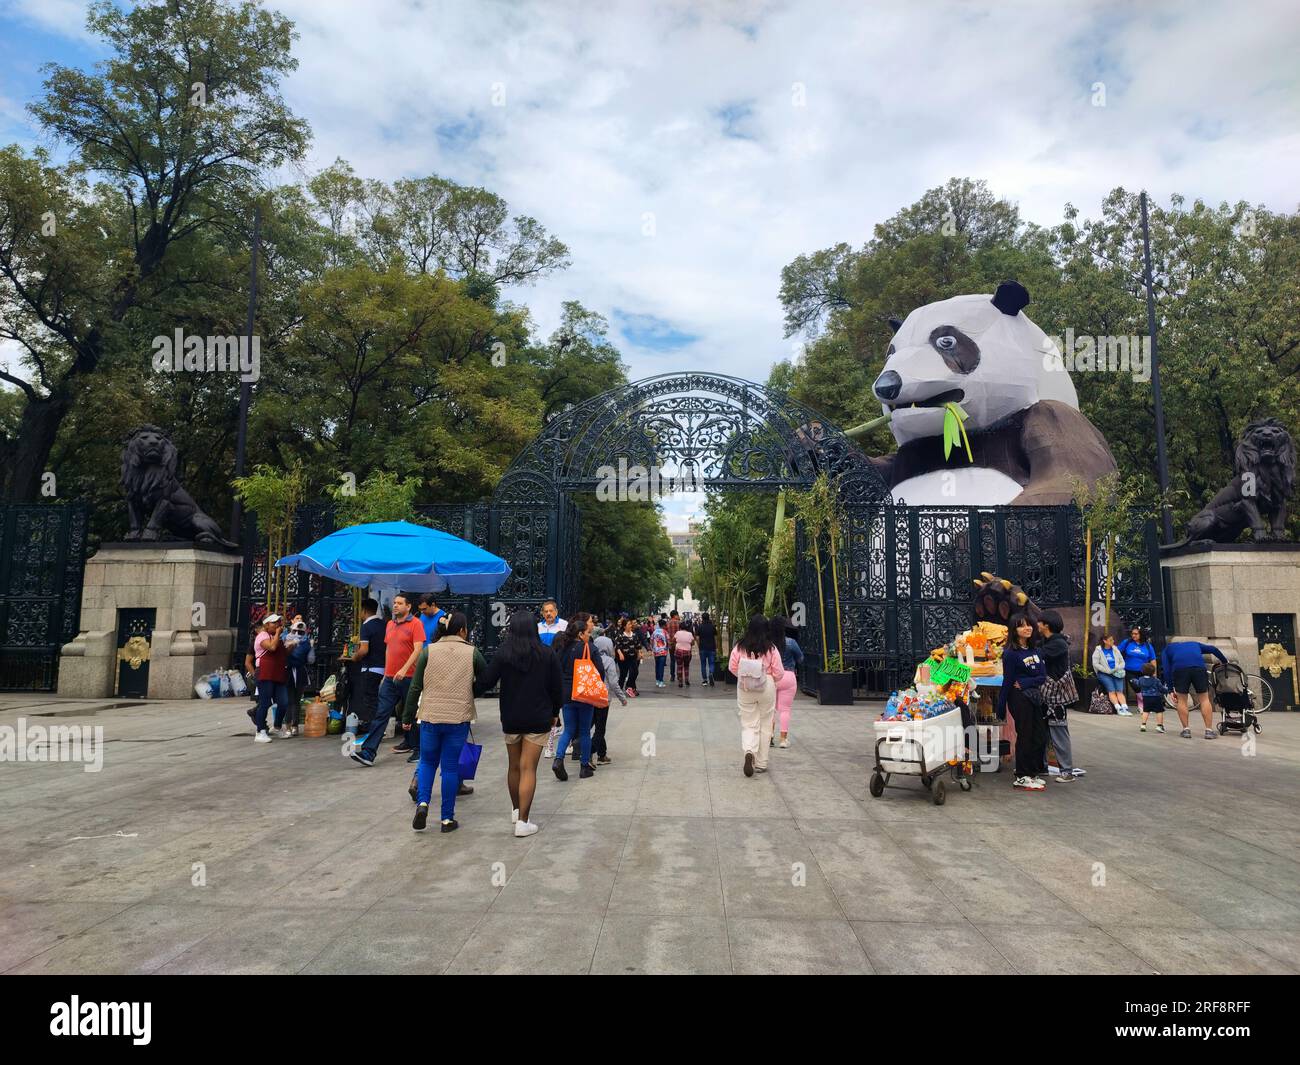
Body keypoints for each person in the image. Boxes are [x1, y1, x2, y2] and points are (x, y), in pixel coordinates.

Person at [474, 611, 562, 836]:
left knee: (513, 766)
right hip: (538, 716)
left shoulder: (504, 653)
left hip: (511, 716)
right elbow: (556, 688)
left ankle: (515, 810)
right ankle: (524, 821)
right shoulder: (547, 653)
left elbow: (486, 681)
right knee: (528, 768)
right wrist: (555, 712)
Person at [402, 612, 484, 833]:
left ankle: (423, 804)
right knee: (449, 767)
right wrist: (470, 691)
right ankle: (447, 819)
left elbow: (415, 687)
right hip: (458, 718)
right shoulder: (472, 653)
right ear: (462, 630)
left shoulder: (429, 651)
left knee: (427, 762)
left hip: (430, 716)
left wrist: (408, 717)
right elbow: (486, 679)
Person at [350, 593, 423, 767]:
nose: (395, 606)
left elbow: (418, 649)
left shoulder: (416, 624)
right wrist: (385, 674)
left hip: (409, 678)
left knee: (409, 715)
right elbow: (389, 650)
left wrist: (404, 669)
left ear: (408, 606)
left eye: (399, 603)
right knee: (381, 714)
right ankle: (368, 752)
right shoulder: (389, 625)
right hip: (390, 678)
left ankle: (419, 748)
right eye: (394, 603)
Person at [551, 612, 609, 780]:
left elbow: (556, 668)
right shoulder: (589, 648)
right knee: (584, 731)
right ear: (580, 634)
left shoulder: (562, 647)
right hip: (584, 693)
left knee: (568, 729)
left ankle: (558, 758)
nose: (589, 635)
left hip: (567, 694)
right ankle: (584, 767)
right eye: (588, 633)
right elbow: (600, 671)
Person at [728, 615, 784, 777]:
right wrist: (770, 679)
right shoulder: (771, 648)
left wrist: (744, 676)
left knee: (748, 722)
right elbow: (779, 672)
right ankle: (761, 762)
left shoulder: (739, 647)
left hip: (745, 686)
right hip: (766, 685)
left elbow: (732, 667)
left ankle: (749, 751)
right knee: (766, 723)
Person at [999, 613, 1047, 790]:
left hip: (1034, 696)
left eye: (1029, 625)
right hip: (1018, 698)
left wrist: (1026, 682)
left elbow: (1042, 676)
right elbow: (1008, 680)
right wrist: (1001, 706)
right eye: (1022, 626)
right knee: (1025, 735)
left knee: (1039, 735)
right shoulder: (1011, 653)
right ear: (1015, 630)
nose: (1027, 628)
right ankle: (1021, 775)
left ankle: (1032, 772)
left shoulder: (1036, 650)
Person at [1037, 610, 1083, 780]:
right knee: (1043, 732)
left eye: (1039, 622)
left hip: (1055, 695)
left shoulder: (1058, 643)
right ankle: (1042, 766)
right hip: (1046, 693)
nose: (1037, 625)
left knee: (1058, 731)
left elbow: (1038, 655)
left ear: (1046, 625)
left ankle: (1066, 771)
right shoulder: (1048, 641)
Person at [1161, 638, 1228, 739]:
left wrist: (1170, 689)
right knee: (1204, 699)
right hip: (1199, 668)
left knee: (1182, 700)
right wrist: (1224, 661)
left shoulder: (1167, 649)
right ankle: (1209, 731)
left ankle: (1186, 730)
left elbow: (1166, 670)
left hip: (1180, 670)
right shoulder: (1194, 644)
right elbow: (1213, 649)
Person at [338, 597, 384, 738]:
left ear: (364, 610)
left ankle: (373, 730)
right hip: (383, 667)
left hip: (370, 668)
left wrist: (354, 657)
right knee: (379, 699)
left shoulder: (366, 626)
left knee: (370, 700)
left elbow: (364, 649)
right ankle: (378, 728)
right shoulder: (384, 624)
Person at [591, 630, 629, 764]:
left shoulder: (589, 657)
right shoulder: (608, 661)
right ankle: (587, 750)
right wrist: (622, 698)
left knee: (589, 725)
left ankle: (602, 754)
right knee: (600, 729)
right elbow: (613, 682)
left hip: (589, 697)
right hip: (603, 699)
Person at [252, 614, 290, 743]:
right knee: (265, 702)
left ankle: (277, 726)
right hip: (265, 672)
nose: (277, 625)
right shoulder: (262, 636)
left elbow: (282, 653)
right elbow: (272, 648)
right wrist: (278, 634)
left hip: (277, 673)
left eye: (278, 622)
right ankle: (260, 731)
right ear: (267, 625)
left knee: (283, 702)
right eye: (274, 623)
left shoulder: (276, 637)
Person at [769, 616, 803, 748]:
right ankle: (783, 740)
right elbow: (801, 659)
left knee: (771, 709)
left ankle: (769, 736)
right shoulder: (791, 642)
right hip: (788, 676)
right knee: (785, 710)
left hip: (772, 678)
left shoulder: (768, 644)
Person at [284, 619, 313, 735]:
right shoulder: (284, 640)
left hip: (299, 672)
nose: (297, 634)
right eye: (295, 631)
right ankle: (288, 726)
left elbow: (310, 659)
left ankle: (294, 725)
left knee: (296, 700)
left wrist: (311, 648)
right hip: (288, 672)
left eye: (300, 632)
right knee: (289, 700)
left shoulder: (306, 644)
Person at [1092, 632, 1130, 715]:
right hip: (1104, 673)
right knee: (1111, 690)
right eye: (1110, 640)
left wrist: (1117, 668)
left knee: (1119, 691)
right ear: (1105, 641)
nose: (1113, 641)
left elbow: (1122, 662)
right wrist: (1106, 670)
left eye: (1112, 639)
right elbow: (1095, 664)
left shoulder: (1115, 649)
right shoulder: (1098, 650)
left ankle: (1124, 708)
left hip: (1117, 673)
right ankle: (1118, 708)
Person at [1118, 625, 1157, 705]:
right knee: (1136, 687)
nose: (1133, 635)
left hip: (1144, 671)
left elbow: (1153, 660)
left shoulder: (1147, 646)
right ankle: (1145, 703)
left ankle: (1141, 705)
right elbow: (1116, 652)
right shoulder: (1127, 642)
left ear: (1141, 634)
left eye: (1136, 634)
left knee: (1144, 688)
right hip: (1129, 670)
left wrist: (1154, 672)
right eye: (1132, 634)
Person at [1133, 660, 1169, 734]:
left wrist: (1134, 680)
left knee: (1146, 711)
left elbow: (1138, 684)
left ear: (1142, 671)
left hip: (1146, 697)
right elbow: (1161, 688)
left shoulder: (1141, 679)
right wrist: (1167, 690)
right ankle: (1159, 725)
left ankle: (1143, 725)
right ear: (1153, 672)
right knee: (1159, 711)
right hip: (1156, 697)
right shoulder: (1156, 680)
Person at [615, 617, 642, 698]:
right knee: (623, 674)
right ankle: (619, 690)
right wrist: (620, 654)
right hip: (623, 658)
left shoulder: (634, 635)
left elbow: (638, 645)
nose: (631, 625)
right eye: (629, 624)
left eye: (631, 624)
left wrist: (639, 654)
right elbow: (617, 646)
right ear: (624, 626)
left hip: (633, 657)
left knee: (635, 672)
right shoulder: (620, 635)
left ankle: (628, 686)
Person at [696, 612, 718, 686]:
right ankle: (711, 673)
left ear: (702, 618)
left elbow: (697, 638)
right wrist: (716, 646)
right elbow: (715, 638)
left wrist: (699, 646)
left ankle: (705, 680)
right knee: (711, 663)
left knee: (703, 664)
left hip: (702, 648)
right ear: (709, 618)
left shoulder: (700, 627)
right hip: (711, 648)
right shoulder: (712, 627)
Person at [674, 619, 696, 688]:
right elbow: (693, 643)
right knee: (686, 666)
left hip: (678, 652)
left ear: (680, 627)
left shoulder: (677, 633)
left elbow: (673, 640)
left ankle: (680, 681)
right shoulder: (690, 634)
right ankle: (686, 679)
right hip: (687, 652)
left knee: (679, 666)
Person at [651, 616, 669, 688]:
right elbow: (668, 640)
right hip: (663, 652)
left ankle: (657, 680)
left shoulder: (654, 632)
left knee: (657, 666)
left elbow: (651, 640)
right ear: (664, 625)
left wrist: (653, 647)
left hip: (656, 651)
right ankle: (661, 681)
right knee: (661, 666)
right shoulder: (665, 632)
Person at [666, 610, 681, 683]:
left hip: (671, 644)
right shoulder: (679, 623)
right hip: (678, 644)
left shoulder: (667, 623)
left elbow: (666, 634)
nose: (678, 616)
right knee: (679, 660)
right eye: (677, 615)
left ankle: (672, 676)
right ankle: (679, 675)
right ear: (675, 615)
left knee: (672, 660)